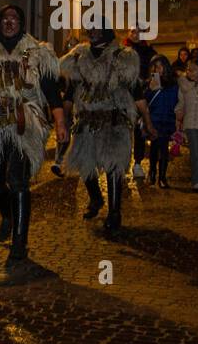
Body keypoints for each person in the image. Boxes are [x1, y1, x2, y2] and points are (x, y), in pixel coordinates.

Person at [0, 4, 66, 277]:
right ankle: (8, 214)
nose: (10, 22)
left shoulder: (37, 52)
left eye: (15, 18)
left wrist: (60, 121)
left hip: (25, 123)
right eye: (5, 18)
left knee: (18, 179)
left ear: (21, 23)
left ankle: (19, 245)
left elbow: (50, 90)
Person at [60, 24, 150, 236]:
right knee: (83, 164)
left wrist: (147, 119)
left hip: (114, 120)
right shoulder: (78, 57)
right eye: (90, 29)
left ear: (107, 32)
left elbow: (136, 91)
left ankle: (115, 212)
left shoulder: (123, 57)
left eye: (98, 28)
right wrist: (63, 119)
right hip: (86, 120)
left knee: (114, 166)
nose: (93, 32)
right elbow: (70, 92)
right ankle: (96, 198)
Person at [122, 26, 158, 179]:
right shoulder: (122, 50)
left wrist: (151, 81)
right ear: (128, 33)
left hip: (141, 94)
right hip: (124, 95)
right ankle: (122, 164)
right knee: (122, 130)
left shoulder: (149, 51)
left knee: (139, 130)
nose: (135, 35)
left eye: (138, 32)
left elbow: (157, 68)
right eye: (132, 32)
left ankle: (137, 163)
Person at [176, 57, 198, 190]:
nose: (190, 72)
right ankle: (197, 181)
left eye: (193, 69)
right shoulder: (184, 85)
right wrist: (178, 113)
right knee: (195, 152)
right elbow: (181, 103)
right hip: (190, 123)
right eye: (188, 70)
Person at [144, 56, 178, 188]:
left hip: (167, 119)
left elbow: (175, 100)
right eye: (154, 66)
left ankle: (162, 177)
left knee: (163, 148)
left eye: (160, 66)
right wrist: (150, 90)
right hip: (154, 120)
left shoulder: (173, 83)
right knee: (154, 146)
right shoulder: (150, 83)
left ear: (165, 67)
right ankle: (152, 173)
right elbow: (144, 102)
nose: (157, 69)